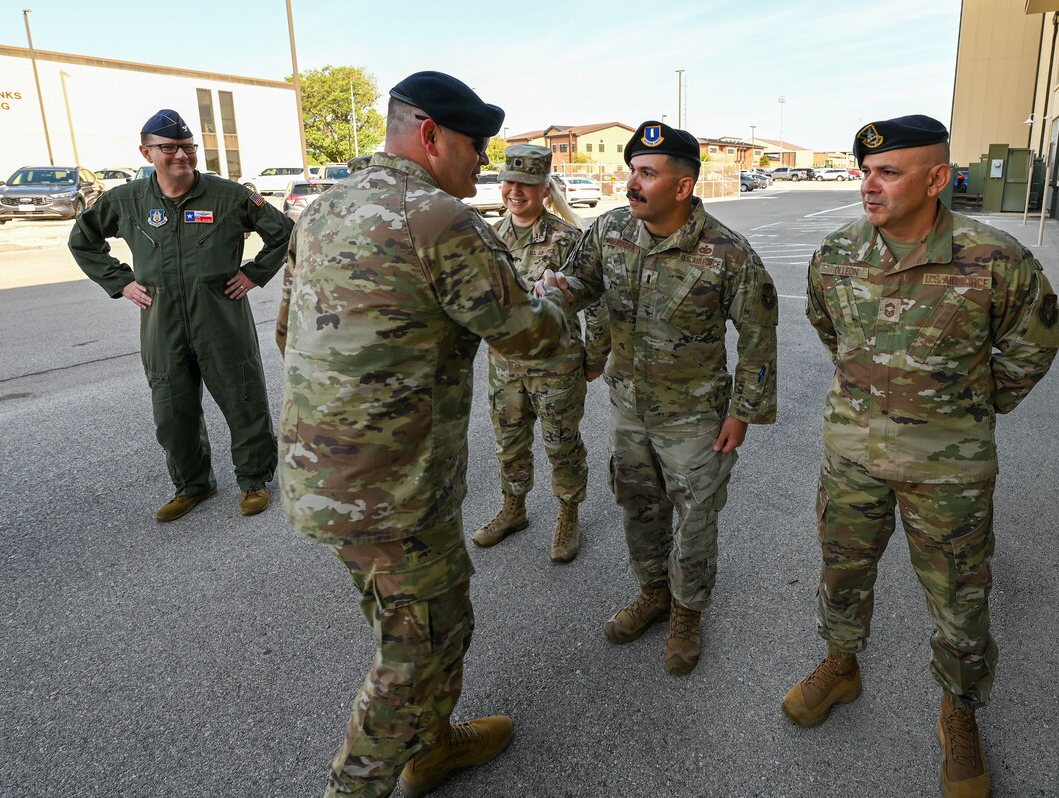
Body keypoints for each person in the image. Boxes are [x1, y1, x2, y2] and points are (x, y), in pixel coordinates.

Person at [277, 71, 574, 798]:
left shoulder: (321, 210)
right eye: (476, 145)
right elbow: (527, 335)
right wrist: (558, 300)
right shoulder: (438, 218)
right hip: (396, 494)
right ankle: (359, 785)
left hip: (327, 479)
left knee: (411, 619)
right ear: (430, 134)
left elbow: (289, 331)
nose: (484, 162)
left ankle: (433, 746)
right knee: (417, 651)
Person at [782, 115, 1059, 798]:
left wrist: (970, 407)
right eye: (866, 171)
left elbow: (1034, 345)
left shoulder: (994, 258)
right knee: (842, 569)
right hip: (852, 453)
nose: (869, 185)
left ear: (936, 179)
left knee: (959, 596)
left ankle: (959, 713)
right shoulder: (838, 250)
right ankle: (841, 664)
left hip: (949, 468)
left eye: (889, 172)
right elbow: (830, 328)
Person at [547, 120, 779, 674]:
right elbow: (576, 284)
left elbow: (758, 339)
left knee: (695, 518)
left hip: (696, 419)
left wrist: (742, 415)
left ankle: (687, 611)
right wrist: (549, 293)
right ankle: (653, 592)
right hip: (629, 408)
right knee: (637, 504)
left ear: (682, 187)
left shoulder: (728, 253)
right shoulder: (609, 232)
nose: (633, 181)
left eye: (647, 173)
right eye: (632, 170)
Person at [69, 109, 292, 522]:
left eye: (187, 148)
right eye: (168, 148)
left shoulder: (231, 196)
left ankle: (254, 481)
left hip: (221, 316)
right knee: (173, 411)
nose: (180, 156)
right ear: (146, 152)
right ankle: (193, 485)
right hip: (161, 321)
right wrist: (120, 282)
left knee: (244, 401)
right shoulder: (126, 200)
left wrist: (254, 274)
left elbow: (283, 233)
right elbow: (83, 240)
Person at [472, 144, 595, 562]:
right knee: (508, 443)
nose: (515, 191)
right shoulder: (487, 237)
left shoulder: (568, 240)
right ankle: (514, 509)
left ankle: (568, 514)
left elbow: (597, 302)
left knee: (561, 444)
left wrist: (594, 357)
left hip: (555, 367)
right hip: (503, 366)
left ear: (545, 189)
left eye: (527, 184)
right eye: (509, 181)